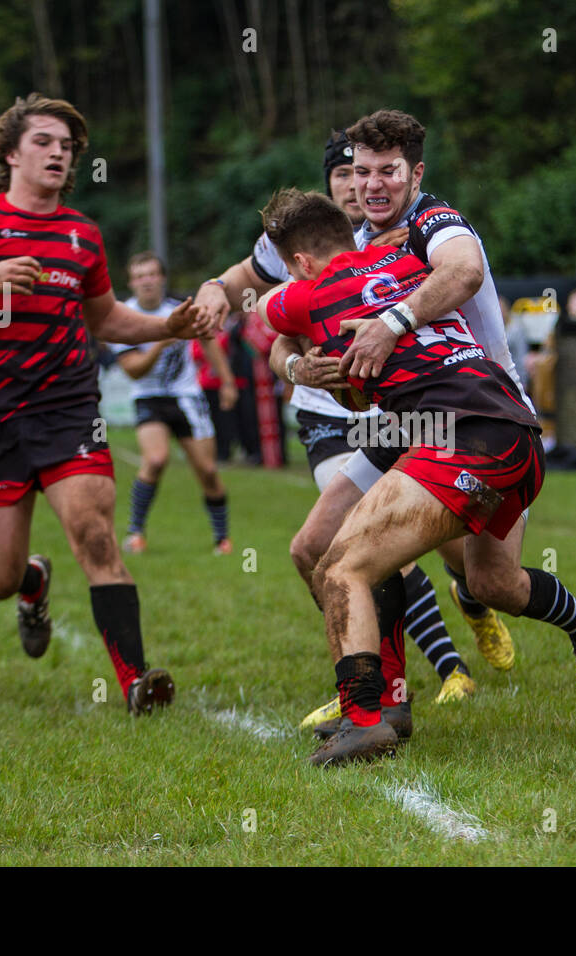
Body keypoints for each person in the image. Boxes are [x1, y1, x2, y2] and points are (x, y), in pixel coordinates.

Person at [257, 188, 576, 765]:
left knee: (341, 565)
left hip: (461, 433)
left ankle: (364, 716)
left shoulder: (306, 292)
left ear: (299, 263)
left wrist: (295, 356)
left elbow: (263, 309)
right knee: (492, 581)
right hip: (510, 426)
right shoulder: (405, 259)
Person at [0, 93, 206, 715]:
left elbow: (107, 318)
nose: (59, 153)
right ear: (11, 152)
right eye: (44, 141)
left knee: (94, 535)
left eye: (67, 146)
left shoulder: (82, 235)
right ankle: (32, 583)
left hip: (68, 410)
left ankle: (136, 681)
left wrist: (172, 325)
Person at [194, 128, 479, 707]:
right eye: (347, 176)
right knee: (331, 547)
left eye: (371, 174)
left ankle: (470, 603)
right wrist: (296, 366)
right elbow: (263, 317)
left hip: (410, 407)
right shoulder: (298, 239)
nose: (360, 186)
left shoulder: (404, 234)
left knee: (467, 562)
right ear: (329, 186)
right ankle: (384, 680)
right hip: (329, 416)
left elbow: (459, 276)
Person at [110, 251, 237, 556]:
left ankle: (222, 538)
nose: (147, 282)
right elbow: (133, 369)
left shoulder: (180, 309)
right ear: (132, 282)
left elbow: (207, 339)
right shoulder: (122, 316)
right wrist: (161, 340)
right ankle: (135, 533)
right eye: (140, 277)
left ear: (162, 278)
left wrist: (227, 381)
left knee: (207, 470)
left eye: (152, 274)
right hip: (148, 398)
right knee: (155, 460)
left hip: (187, 397)